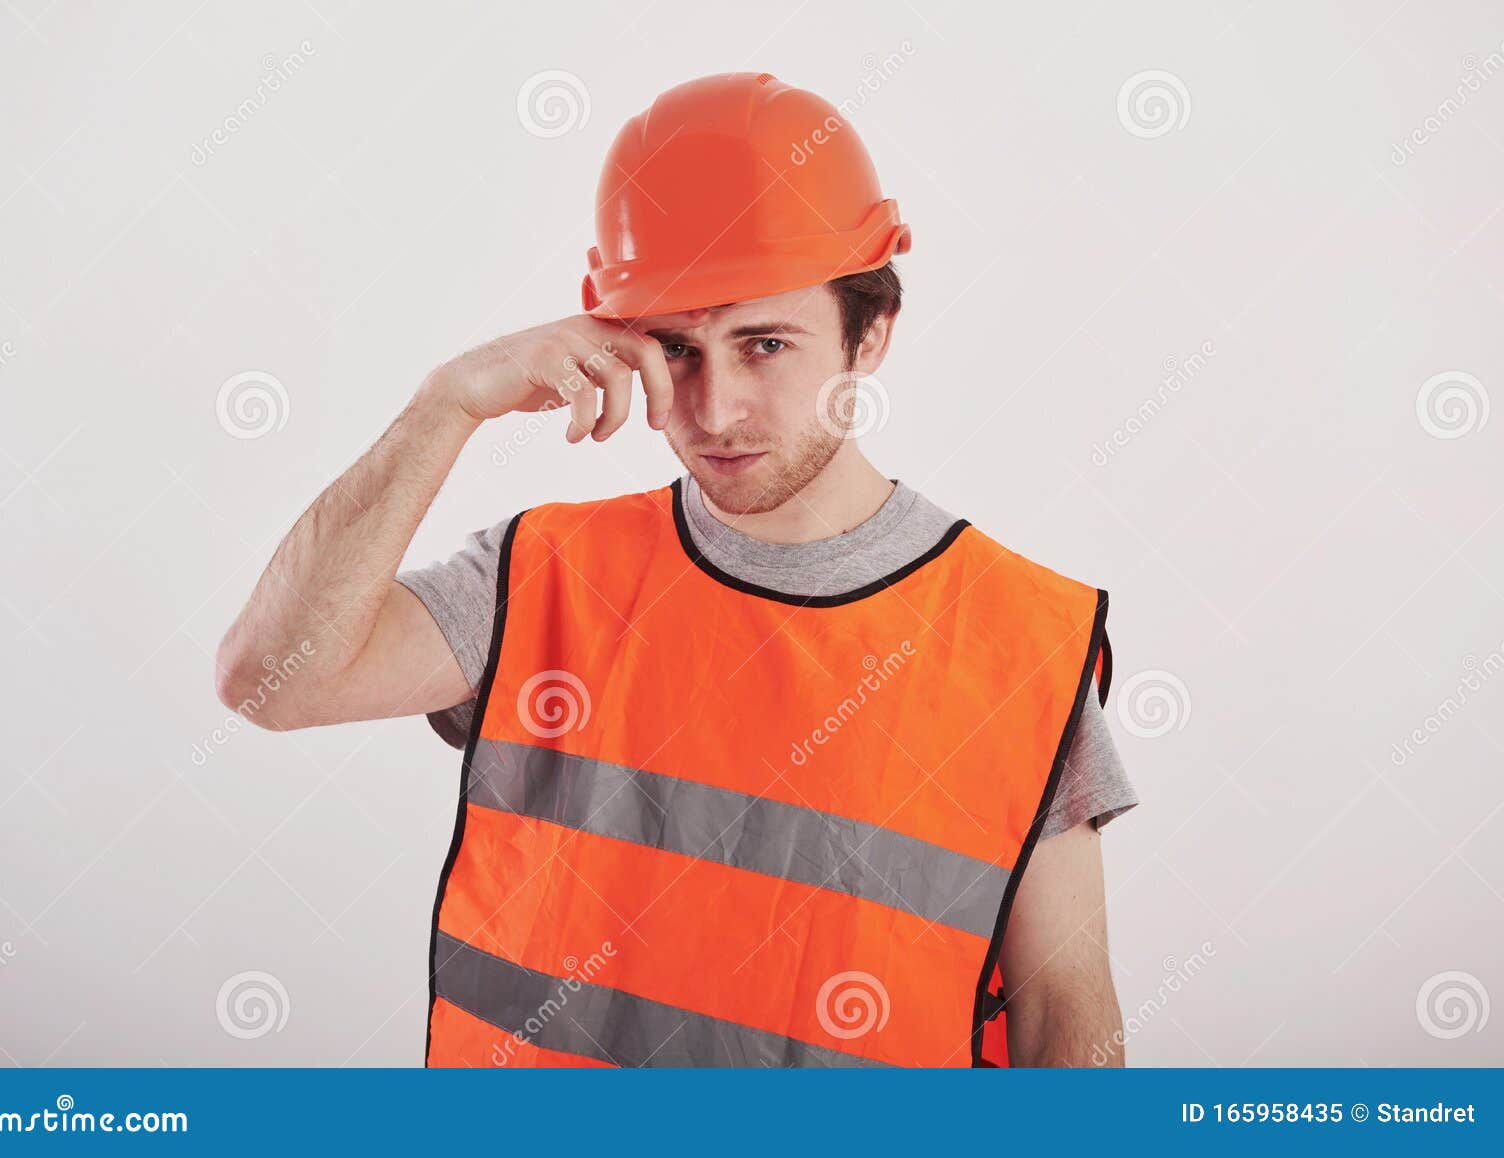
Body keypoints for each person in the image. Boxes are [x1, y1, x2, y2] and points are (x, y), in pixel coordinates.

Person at [216, 71, 1138, 1068]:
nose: (716, 409)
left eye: (765, 344)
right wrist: (447, 405)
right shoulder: (545, 572)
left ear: (869, 334)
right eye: (677, 351)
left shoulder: (1019, 639)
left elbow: (1063, 1020)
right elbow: (274, 682)